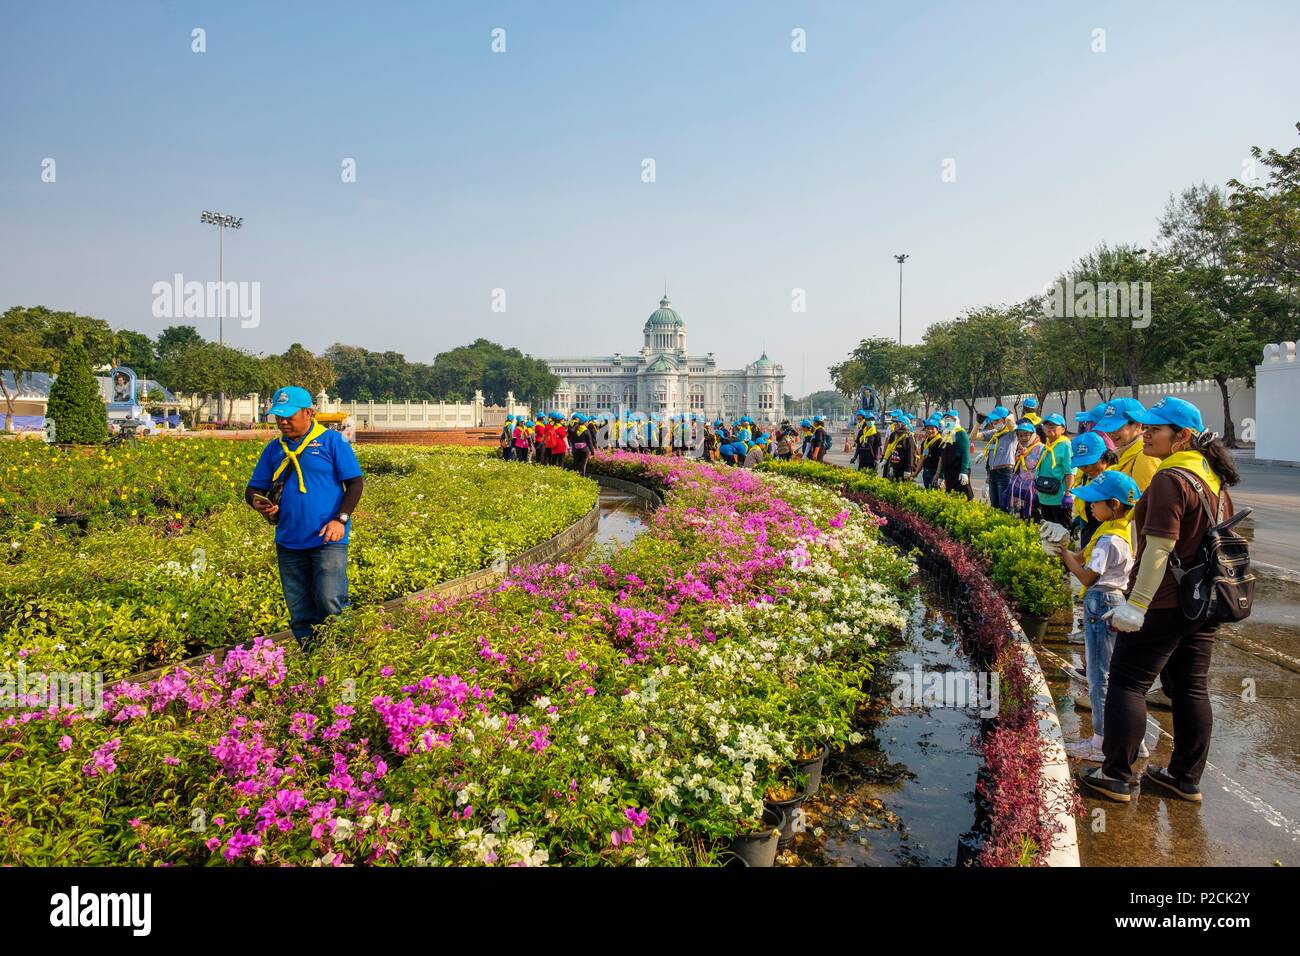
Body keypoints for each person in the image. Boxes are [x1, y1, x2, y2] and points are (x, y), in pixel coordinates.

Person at [1077, 397, 1239, 804]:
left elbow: (1159, 550)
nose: (1146, 434)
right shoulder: (1210, 477)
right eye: (1145, 427)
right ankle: (1184, 778)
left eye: (1155, 429)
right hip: (1203, 601)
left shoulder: (1172, 478)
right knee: (1190, 688)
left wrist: (1138, 603)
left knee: (1128, 683)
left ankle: (1115, 774)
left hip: (1164, 600)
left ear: (1182, 436)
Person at [247, 386, 365, 651]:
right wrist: (260, 504)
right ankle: (314, 661)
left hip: (328, 539)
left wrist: (340, 520)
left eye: (289, 416)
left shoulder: (333, 441)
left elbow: (355, 484)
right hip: (289, 541)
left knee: (330, 601)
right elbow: (253, 488)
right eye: (278, 416)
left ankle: (343, 657)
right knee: (300, 612)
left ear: (309, 413)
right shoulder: (273, 449)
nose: (283, 422)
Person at [1049, 470, 1143, 763]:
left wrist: (1063, 554)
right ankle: (1133, 741)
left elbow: (1088, 577)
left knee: (1098, 675)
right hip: (1114, 600)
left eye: (1096, 502)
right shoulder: (1122, 530)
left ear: (1114, 504)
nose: (1090, 506)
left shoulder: (1107, 540)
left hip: (1100, 601)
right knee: (1117, 673)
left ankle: (1100, 742)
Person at [1091, 397, 1159, 492]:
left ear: (1137, 424)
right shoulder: (1123, 452)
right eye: (1108, 427)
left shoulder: (1145, 457)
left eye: (1116, 427)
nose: (1111, 433)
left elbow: (1144, 500)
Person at [1034, 413, 1073, 527]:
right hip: (1045, 495)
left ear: (1063, 429)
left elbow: (1069, 472)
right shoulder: (1047, 445)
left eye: (1053, 426)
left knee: (1063, 531)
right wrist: (1038, 492)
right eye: (1047, 425)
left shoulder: (1065, 445)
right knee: (1049, 531)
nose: (1049, 428)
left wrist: (1068, 494)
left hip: (1059, 498)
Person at [977, 405, 1017, 511]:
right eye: (993, 420)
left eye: (997, 420)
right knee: (994, 506)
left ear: (1004, 420)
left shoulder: (1011, 434)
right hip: (993, 472)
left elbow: (1012, 424)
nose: (994, 423)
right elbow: (973, 437)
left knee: (1005, 507)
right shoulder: (994, 434)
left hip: (1005, 472)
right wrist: (978, 423)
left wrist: (1010, 415)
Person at [1006, 420, 1044, 519]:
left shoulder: (1041, 448)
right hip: (1022, 488)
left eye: (1026, 435)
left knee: (1033, 515)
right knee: (1022, 514)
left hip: (1034, 489)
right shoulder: (1022, 448)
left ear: (1033, 435)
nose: (1023, 438)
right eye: (1020, 435)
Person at [938, 410, 972, 498]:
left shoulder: (961, 433)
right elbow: (943, 456)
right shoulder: (946, 434)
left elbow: (966, 454)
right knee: (950, 495)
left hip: (959, 471)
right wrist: (941, 475)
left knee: (963, 495)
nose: (948, 421)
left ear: (956, 420)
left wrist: (964, 471)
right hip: (949, 471)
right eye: (946, 419)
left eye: (950, 419)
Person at [882, 416, 914, 482]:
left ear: (904, 425)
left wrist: (908, 469)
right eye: (895, 423)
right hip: (894, 466)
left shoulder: (908, 438)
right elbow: (891, 450)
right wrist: (890, 465)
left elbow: (910, 455)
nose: (895, 425)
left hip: (903, 468)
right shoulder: (894, 435)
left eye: (898, 423)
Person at [919, 416, 944, 489]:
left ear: (937, 430)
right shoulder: (925, 442)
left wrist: (937, 475)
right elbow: (922, 458)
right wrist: (915, 473)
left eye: (932, 428)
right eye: (927, 428)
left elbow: (941, 460)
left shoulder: (940, 442)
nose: (929, 431)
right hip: (926, 472)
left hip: (935, 473)